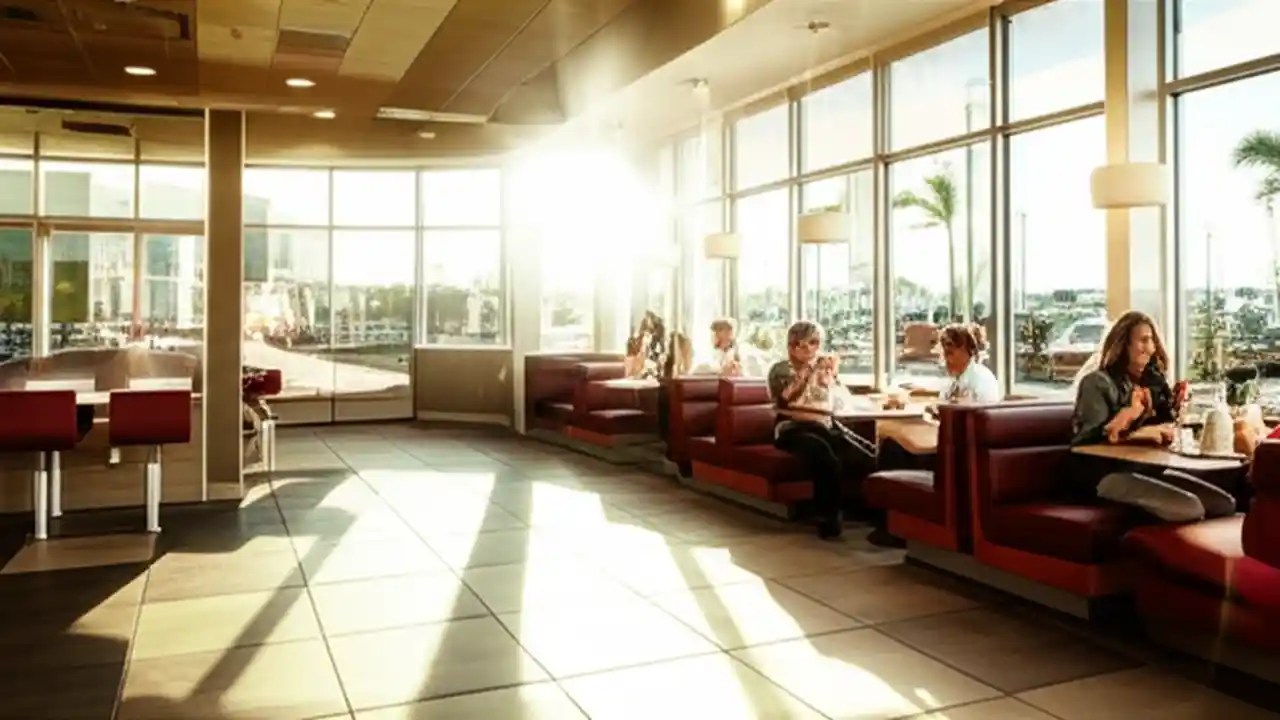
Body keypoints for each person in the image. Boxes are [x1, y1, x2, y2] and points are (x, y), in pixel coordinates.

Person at [1072, 310, 1236, 522]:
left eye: (1153, 342)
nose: (1151, 349)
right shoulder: (1097, 383)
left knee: (1224, 505)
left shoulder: (1151, 384)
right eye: (1143, 341)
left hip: (1150, 471)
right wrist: (1131, 419)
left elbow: (1167, 433)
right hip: (1105, 477)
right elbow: (1086, 442)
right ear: (1123, 345)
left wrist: (1176, 412)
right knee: (1190, 508)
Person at [767, 321, 877, 540]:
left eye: (814, 343)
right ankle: (828, 517)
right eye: (801, 344)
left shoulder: (822, 368)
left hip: (823, 424)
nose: (809, 349)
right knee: (825, 456)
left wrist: (832, 377)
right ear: (790, 346)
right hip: (791, 428)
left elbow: (836, 400)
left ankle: (872, 514)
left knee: (866, 454)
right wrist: (810, 373)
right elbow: (785, 400)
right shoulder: (781, 369)